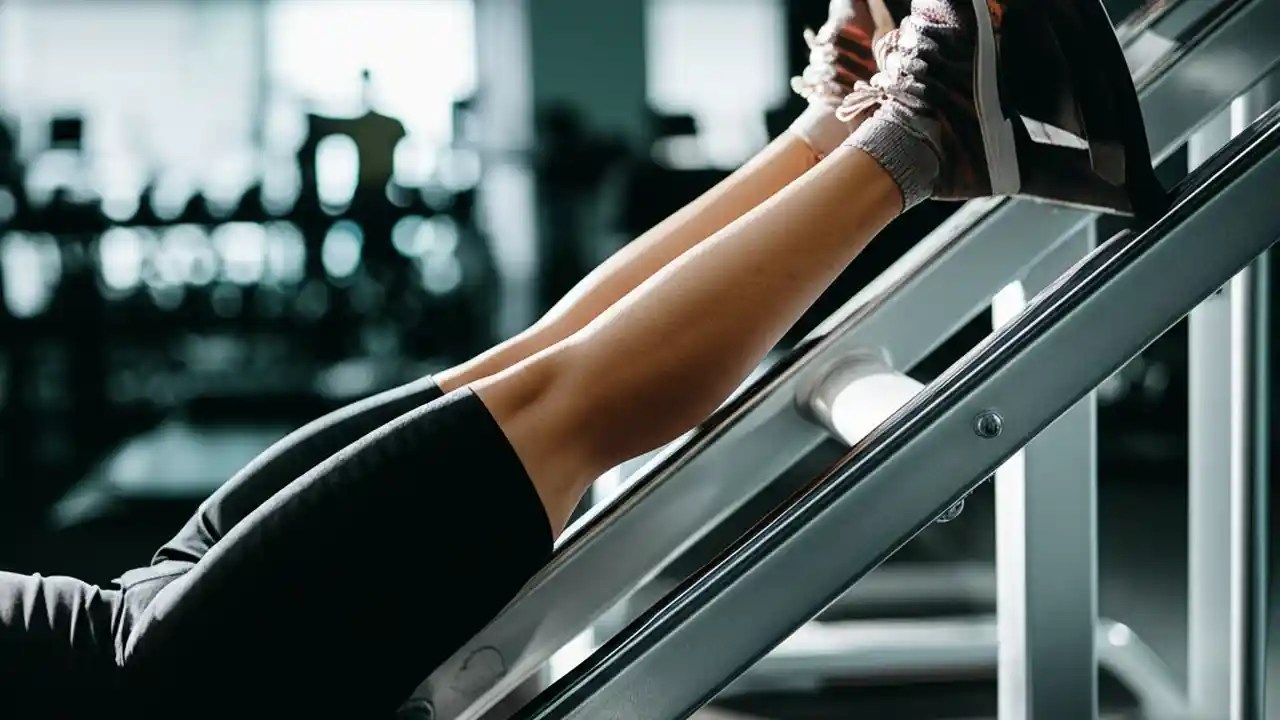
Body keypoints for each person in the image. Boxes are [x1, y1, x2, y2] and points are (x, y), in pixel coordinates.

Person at [0, 1, 1160, 717]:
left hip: (105, 614)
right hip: (134, 689)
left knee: (523, 366)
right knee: (557, 410)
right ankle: (932, 133)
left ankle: (839, 133)